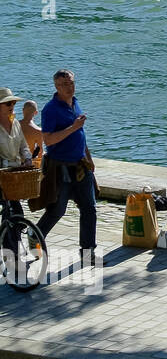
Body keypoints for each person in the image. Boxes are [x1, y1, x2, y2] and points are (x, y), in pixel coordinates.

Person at [35, 70, 97, 263]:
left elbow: (80, 134)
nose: (69, 87)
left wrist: (89, 157)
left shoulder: (75, 103)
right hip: (60, 167)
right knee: (57, 210)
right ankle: (35, 236)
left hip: (80, 165)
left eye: (71, 83)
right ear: (56, 86)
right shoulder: (50, 109)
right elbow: (48, 140)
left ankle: (87, 253)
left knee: (89, 208)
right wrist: (73, 128)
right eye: (64, 84)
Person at [0, 89, 34, 219]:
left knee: (16, 214)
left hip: (13, 175)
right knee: (11, 212)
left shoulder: (15, 123)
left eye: (13, 103)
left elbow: (23, 146)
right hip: (2, 173)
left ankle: (8, 232)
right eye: (8, 103)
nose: (12, 106)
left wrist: (28, 158)